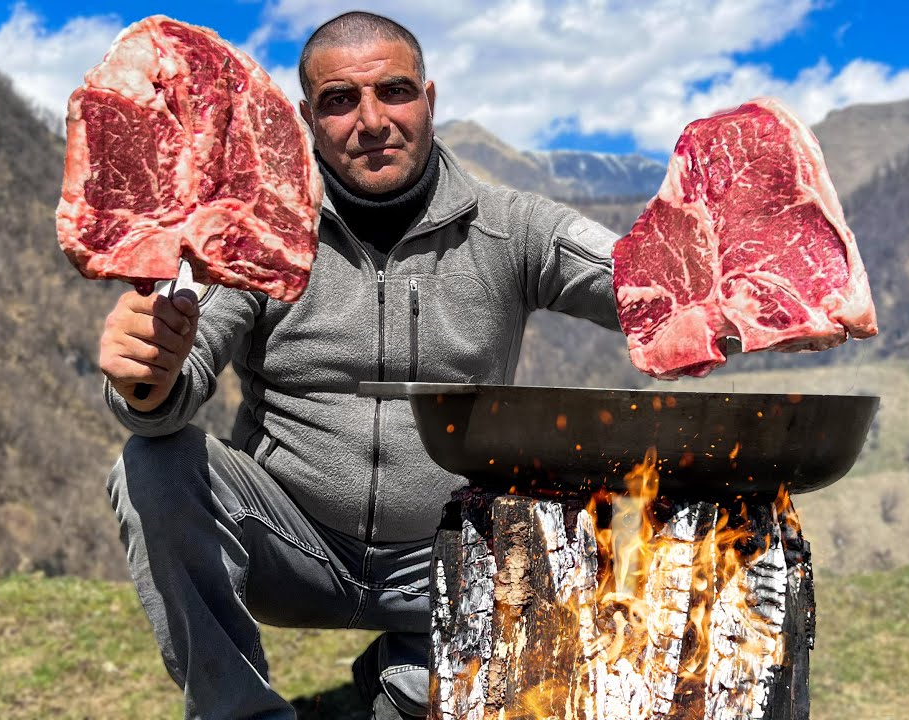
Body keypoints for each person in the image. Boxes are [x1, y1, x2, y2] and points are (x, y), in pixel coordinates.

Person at [99, 11, 622, 720]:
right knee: (152, 463)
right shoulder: (252, 230)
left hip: (445, 561)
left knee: (551, 510)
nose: (372, 120)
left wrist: (779, 305)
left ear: (430, 100)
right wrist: (146, 371)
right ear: (307, 118)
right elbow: (173, 381)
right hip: (291, 547)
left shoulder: (515, 227)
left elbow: (646, 284)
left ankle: (409, 676)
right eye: (341, 100)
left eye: (395, 92)